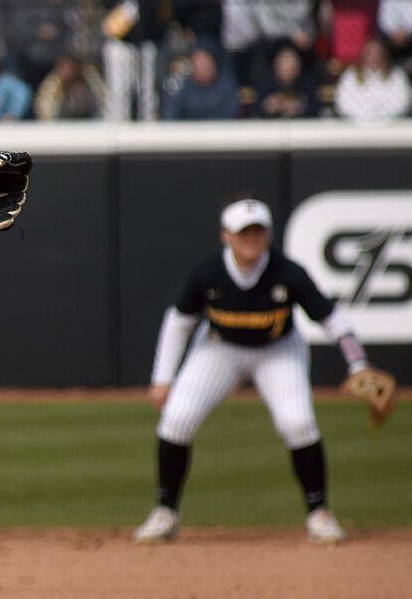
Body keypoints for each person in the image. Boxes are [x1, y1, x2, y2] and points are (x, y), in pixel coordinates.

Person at [135, 199, 380, 546]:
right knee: (177, 419)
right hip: (219, 348)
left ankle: (319, 514)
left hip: (277, 350)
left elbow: (332, 320)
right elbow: (179, 322)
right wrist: (162, 378)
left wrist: (358, 363)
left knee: (298, 423)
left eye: (258, 231)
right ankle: (165, 512)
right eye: (243, 232)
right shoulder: (208, 271)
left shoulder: (288, 273)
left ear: (268, 234)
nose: (251, 238)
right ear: (226, 235)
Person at [332, 36, 411, 123]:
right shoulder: (350, 75)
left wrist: (381, 118)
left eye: (378, 53)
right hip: (355, 125)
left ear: (384, 55)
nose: (374, 56)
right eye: (370, 53)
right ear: (363, 54)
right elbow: (343, 102)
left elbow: (402, 102)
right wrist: (363, 118)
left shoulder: (396, 75)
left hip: (391, 125)